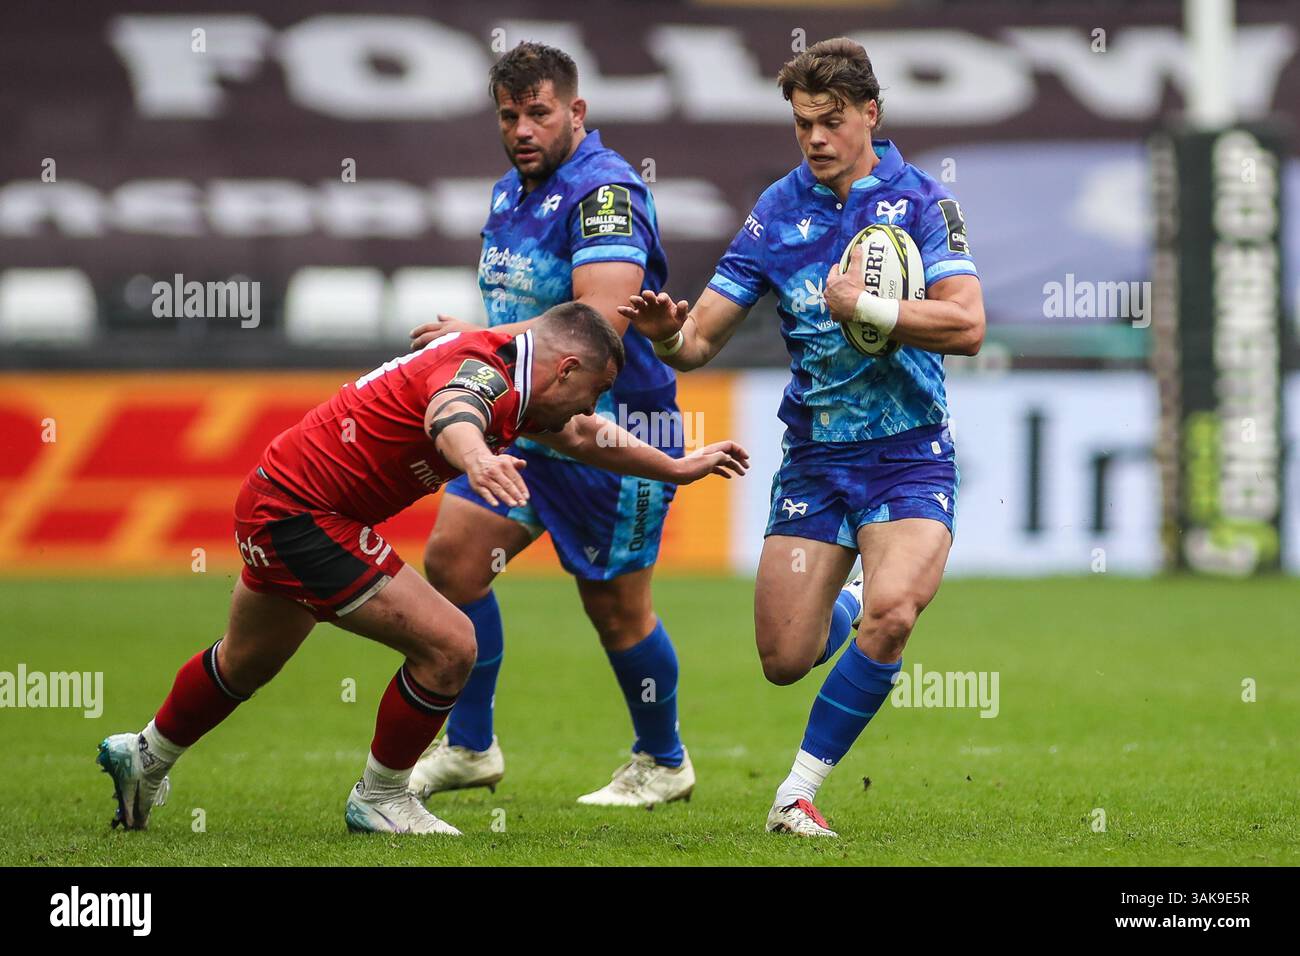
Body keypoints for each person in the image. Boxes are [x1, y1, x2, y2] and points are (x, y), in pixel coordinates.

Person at [97, 303, 747, 835]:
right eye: (595, 390)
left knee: (245, 661)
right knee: (450, 645)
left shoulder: (511, 371)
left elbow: (577, 436)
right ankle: (382, 796)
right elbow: (453, 412)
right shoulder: (485, 370)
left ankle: (146, 755)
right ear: (567, 366)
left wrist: (677, 465)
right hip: (305, 515)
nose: (591, 404)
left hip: (276, 494)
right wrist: (476, 459)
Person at [618, 38, 984, 837]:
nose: (816, 138)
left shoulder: (921, 201)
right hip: (815, 461)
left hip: (906, 455)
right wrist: (661, 335)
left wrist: (873, 310)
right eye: (801, 124)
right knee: (785, 658)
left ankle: (797, 792)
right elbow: (700, 343)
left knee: (898, 612)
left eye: (831, 120)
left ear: (869, 114)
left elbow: (968, 324)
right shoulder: (779, 209)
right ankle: (848, 607)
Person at [405, 42, 697, 808]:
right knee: (455, 562)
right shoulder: (510, 192)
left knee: (616, 611)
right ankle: (470, 747)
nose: (523, 128)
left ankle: (663, 761)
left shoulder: (605, 195)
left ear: (576, 112)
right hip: (526, 423)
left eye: (539, 113)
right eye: (510, 115)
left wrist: (477, 340)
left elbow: (599, 318)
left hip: (612, 429)